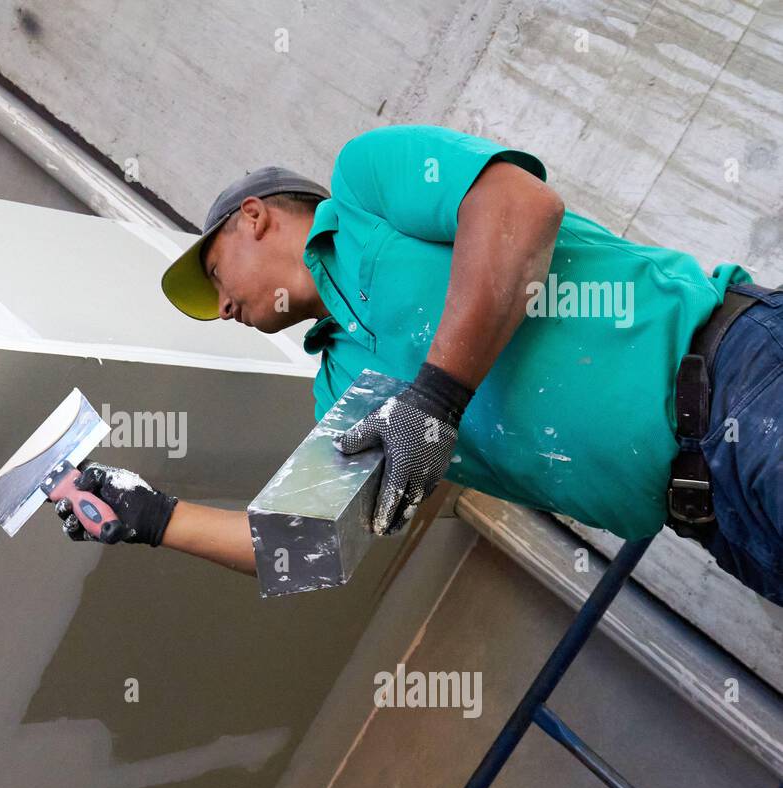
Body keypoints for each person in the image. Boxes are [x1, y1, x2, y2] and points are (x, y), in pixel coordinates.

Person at [53, 125, 782, 605]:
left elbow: (522, 207)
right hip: (716, 520)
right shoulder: (342, 388)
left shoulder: (366, 186)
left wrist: (434, 397)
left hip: (740, 383)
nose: (223, 308)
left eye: (214, 276)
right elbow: (300, 548)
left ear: (254, 217)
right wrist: (150, 517)